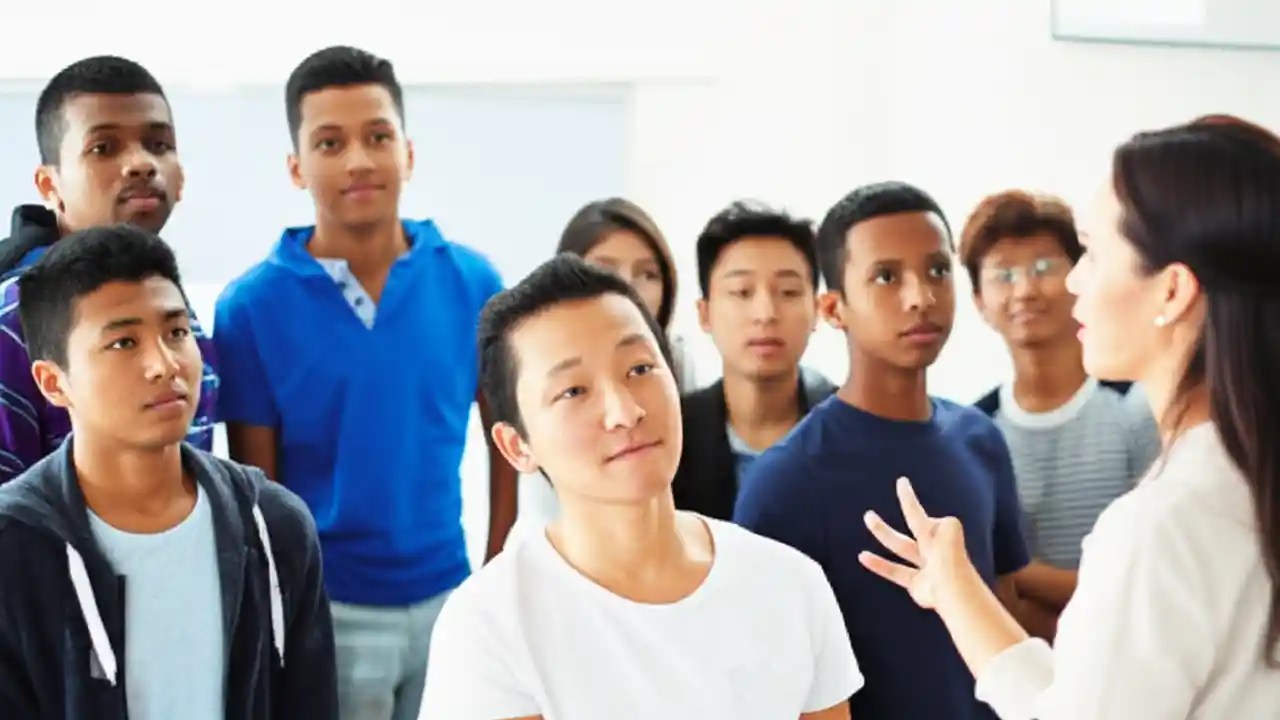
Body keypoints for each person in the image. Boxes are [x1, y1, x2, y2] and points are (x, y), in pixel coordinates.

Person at [861, 116, 1280, 719]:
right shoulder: (1245, 480)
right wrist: (956, 591)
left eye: (1092, 253)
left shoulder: (1163, 524)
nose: (1072, 283)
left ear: (1171, 292)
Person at [420, 254, 863, 719]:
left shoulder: (790, 584)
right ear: (517, 447)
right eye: (574, 391)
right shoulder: (492, 623)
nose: (624, 411)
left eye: (639, 369)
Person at [212, 46, 514, 720]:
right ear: (296, 166)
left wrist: (495, 569)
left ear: (408, 151)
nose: (358, 160)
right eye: (330, 142)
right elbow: (263, 492)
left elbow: (507, 440)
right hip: (331, 610)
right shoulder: (251, 308)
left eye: (377, 136)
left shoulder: (474, 283)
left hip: (453, 597)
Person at [0, 225, 335, 719]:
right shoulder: (15, 544)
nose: (164, 363)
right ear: (54, 382)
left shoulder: (272, 525)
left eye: (176, 332)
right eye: (123, 343)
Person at [734, 181, 1030, 719]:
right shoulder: (785, 482)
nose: (920, 296)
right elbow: (766, 686)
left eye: (938, 270)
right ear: (833, 307)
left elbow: (1004, 618)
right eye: (886, 277)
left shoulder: (980, 440)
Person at [0, 55, 219, 483]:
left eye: (159, 145)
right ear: (50, 185)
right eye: (103, 148)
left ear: (181, 177)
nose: (140, 163)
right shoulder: (15, 318)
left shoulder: (178, 311)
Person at [961, 190, 1160, 637]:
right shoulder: (974, 431)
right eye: (1003, 275)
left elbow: (1147, 578)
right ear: (978, 301)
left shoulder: (1138, 408)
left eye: (1044, 268)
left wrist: (1022, 572)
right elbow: (994, 598)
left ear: (1080, 277)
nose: (1026, 289)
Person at [673, 201, 834, 520]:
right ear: (705, 314)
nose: (765, 314)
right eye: (742, 292)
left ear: (817, 310)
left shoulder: (853, 432)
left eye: (788, 292)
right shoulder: (671, 438)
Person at [558, 197, 696, 389]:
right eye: (604, 271)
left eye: (648, 274)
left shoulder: (677, 363)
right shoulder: (538, 365)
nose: (628, 288)